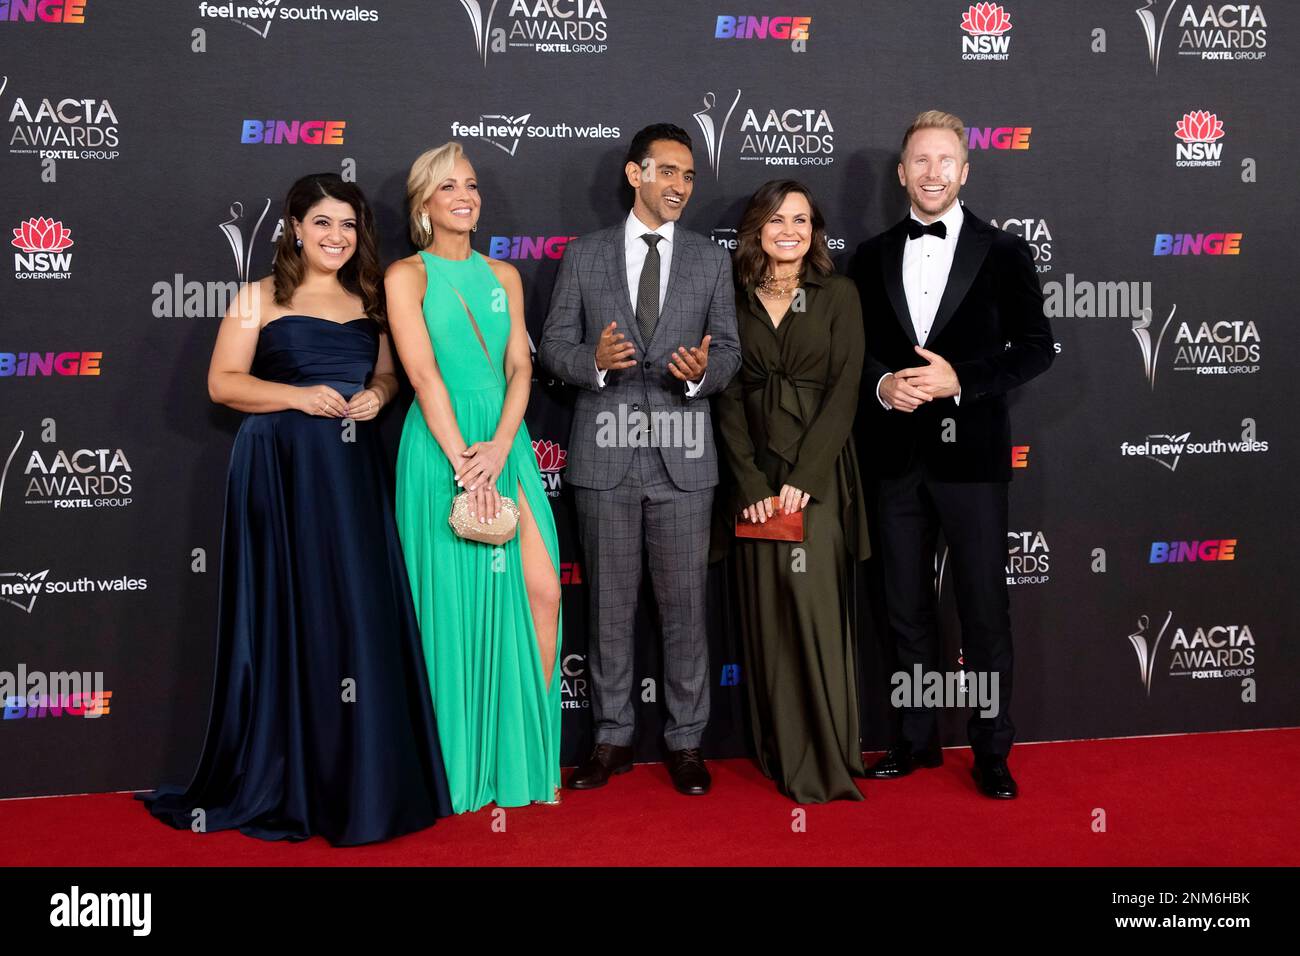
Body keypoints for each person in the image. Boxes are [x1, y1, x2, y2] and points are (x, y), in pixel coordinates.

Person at [140, 173, 452, 845]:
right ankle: (286, 776)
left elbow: (389, 375)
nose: (337, 237)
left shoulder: (371, 298)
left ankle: (360, 780)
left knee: (354, 615)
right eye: (323, 224)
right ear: (294, 227)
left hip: (350, 471)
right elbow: (222, 383)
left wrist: (377, 396)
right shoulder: (257, 297)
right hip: (279, 469)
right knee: (289, 611)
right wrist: (297, 396)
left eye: (348, 225)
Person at [848, 111, 1054, 799]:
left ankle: (993, 749)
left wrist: (961, 380)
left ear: (965, 171)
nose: (933, 173)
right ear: (902, 172)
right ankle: (915, 740)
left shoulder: (1004, 252)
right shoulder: (869, 256)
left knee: (984, 609)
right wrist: (881, 383)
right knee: (903, 608)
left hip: (972, 463)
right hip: (896, 461)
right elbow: (855, 354)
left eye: (946, 161)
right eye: (920, 161)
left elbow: (1035, 347)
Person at [538, 123, 741, 796]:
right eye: (670, 173)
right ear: (635, 174)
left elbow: (732, 355)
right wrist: (592, 364)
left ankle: (685, 742)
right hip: (605, 459)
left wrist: (698, 376)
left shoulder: (712, 261)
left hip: (685, 461)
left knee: (686, 609)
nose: (681, 187)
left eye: (690, 177)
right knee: (609, 609)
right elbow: (554, 346)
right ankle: (611, 737)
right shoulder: (585, 255)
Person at [386, 142, 562, 814]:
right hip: (441, 449)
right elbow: (423, 373)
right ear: (424, 203)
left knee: (541, 588)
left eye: (472, 185)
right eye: (448, 186)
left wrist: (500, 446)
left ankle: (525, 756)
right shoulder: (407, 276)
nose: (465, 196)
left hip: (505, 442)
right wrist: (465, 460)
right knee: (454, 614)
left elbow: (522, 366)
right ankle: (459, 769)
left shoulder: (506, 275)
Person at [714, 180, 870, 803]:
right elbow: (724, 396)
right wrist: (750, 480)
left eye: (801, 220)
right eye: (778, 218)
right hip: (753, 481)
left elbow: (846, 391)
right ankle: (780, 749)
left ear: (815, 230)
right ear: (757, 227)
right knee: (768, 614)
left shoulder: (840, 295)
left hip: (819, 477)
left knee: (811, 608)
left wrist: (802, 481)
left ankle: (827, 754)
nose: (790, 230)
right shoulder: (732, 296)